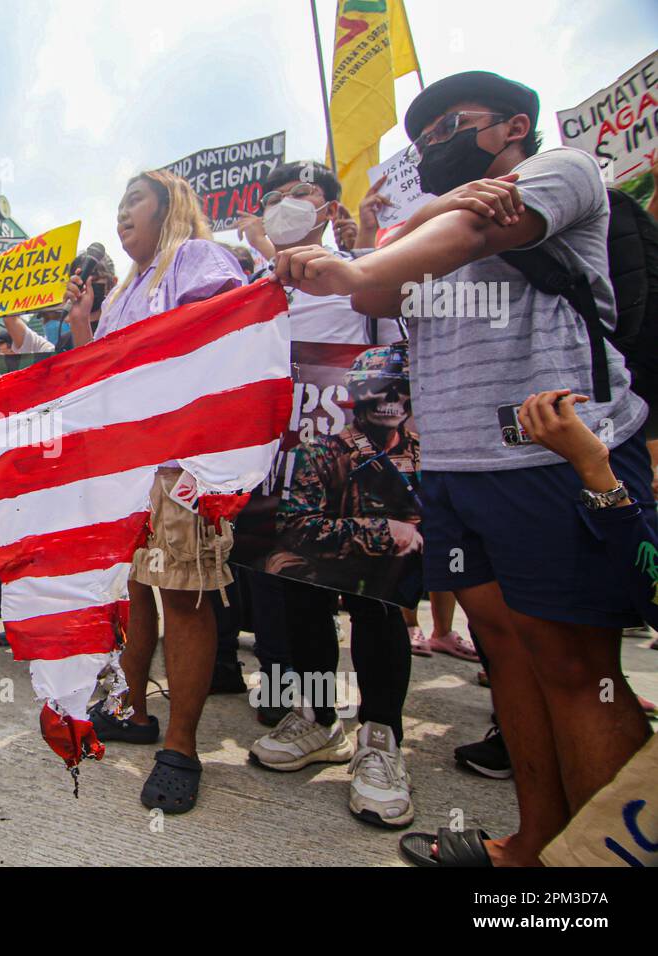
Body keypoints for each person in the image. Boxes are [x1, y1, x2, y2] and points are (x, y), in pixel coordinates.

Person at [275, 71, 653, 866]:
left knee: (579, 669)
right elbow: (395, 284)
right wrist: (423, 212)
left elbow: (465, 242)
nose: (435, 142)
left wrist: (362, 262)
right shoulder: (429, 220)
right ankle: (535, 843)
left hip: (550, 456)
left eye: (455, 123)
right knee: (508, 655)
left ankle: (599, 871)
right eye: (425, 136)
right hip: (456, 466)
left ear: (515, 125)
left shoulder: (565, 171)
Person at [68, 169, 246, 814]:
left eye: (133, 202)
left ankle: (181, 747)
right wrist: (86, 325)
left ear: (169, 204)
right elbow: (104, 374)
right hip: (131, 464)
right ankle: (134, 708)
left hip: (184, 461)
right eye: (115, 205)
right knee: (137, 588)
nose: (121, 215)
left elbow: (226, 330)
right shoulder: (121, 292)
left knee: (185, 595)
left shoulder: (196, 257)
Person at [253, 344, 422, 828]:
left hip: (388, 584)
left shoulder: (423, 455)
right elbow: (298, 526)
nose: (390, 399)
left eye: (400, 389)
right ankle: (319, 718)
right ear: (356, 396)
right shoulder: (323, 451)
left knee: (383, 609)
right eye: (378, 389)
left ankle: (381, 739)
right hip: (328, 567)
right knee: (294, 575)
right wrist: (383, 532)